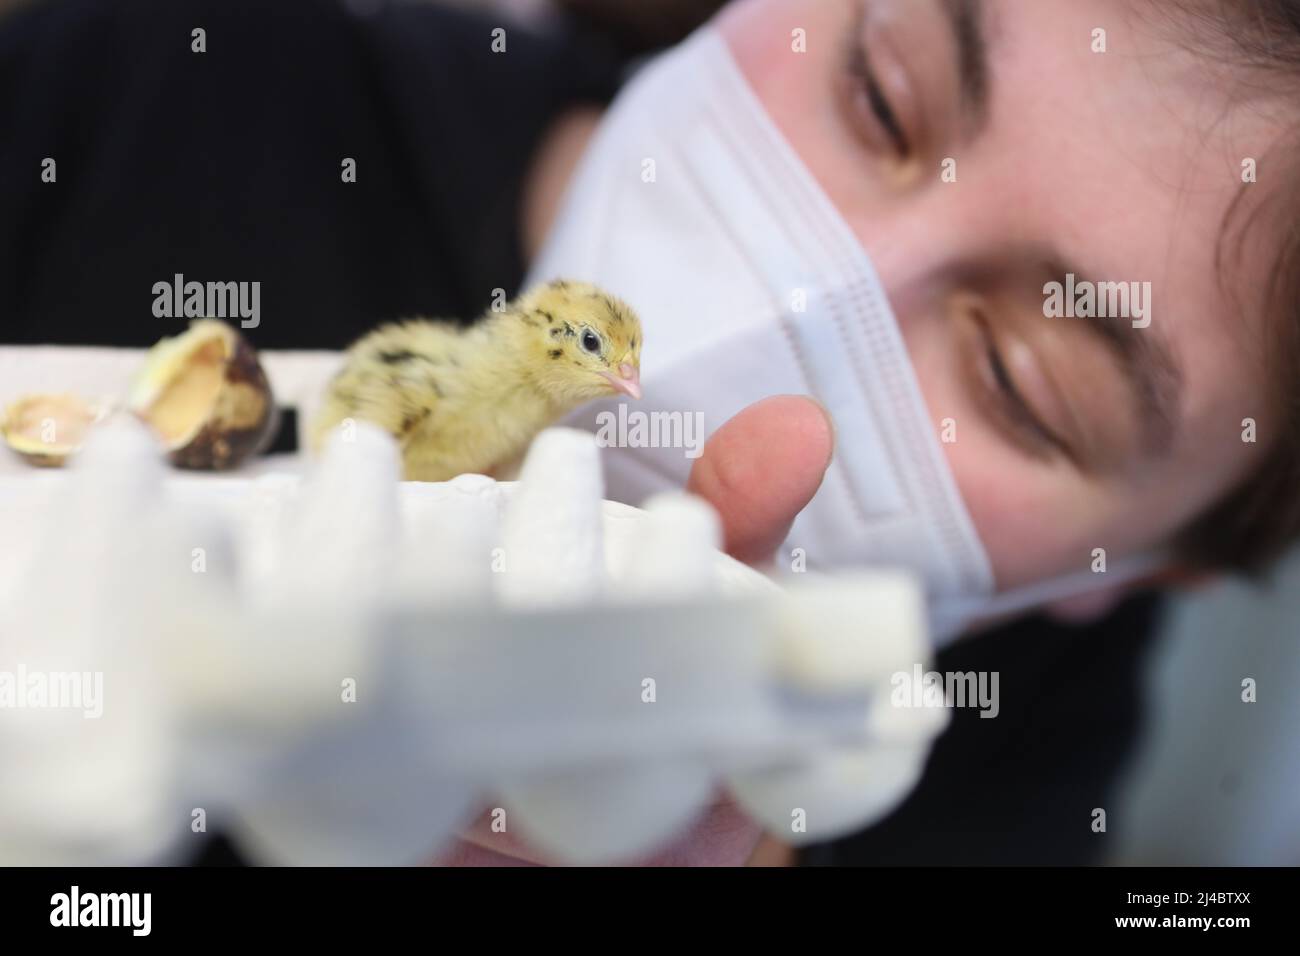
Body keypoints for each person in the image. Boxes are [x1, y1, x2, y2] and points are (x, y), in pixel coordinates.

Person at [2, 0, 1293, 865]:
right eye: (881, 96)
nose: (807, 300)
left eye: (1022, 381)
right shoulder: (158, 93)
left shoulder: (1004, 762)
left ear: (1159, 566)